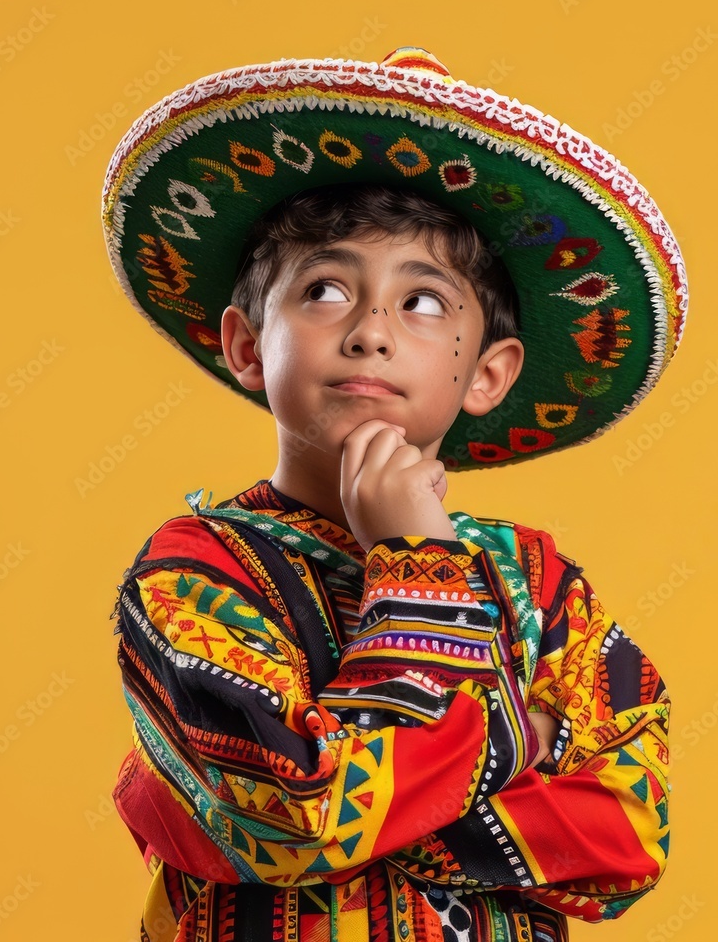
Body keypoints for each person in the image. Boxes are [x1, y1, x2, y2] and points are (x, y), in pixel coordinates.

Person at [102, 47, 686, 942]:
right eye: (326, 290)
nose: (371, 329)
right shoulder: (194, 569)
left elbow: (625, 840)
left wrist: (348, 797)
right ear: (249, 345)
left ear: (487, 373)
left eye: (423, 304)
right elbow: (297, 815)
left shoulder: (543, 582)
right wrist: (511, 720)